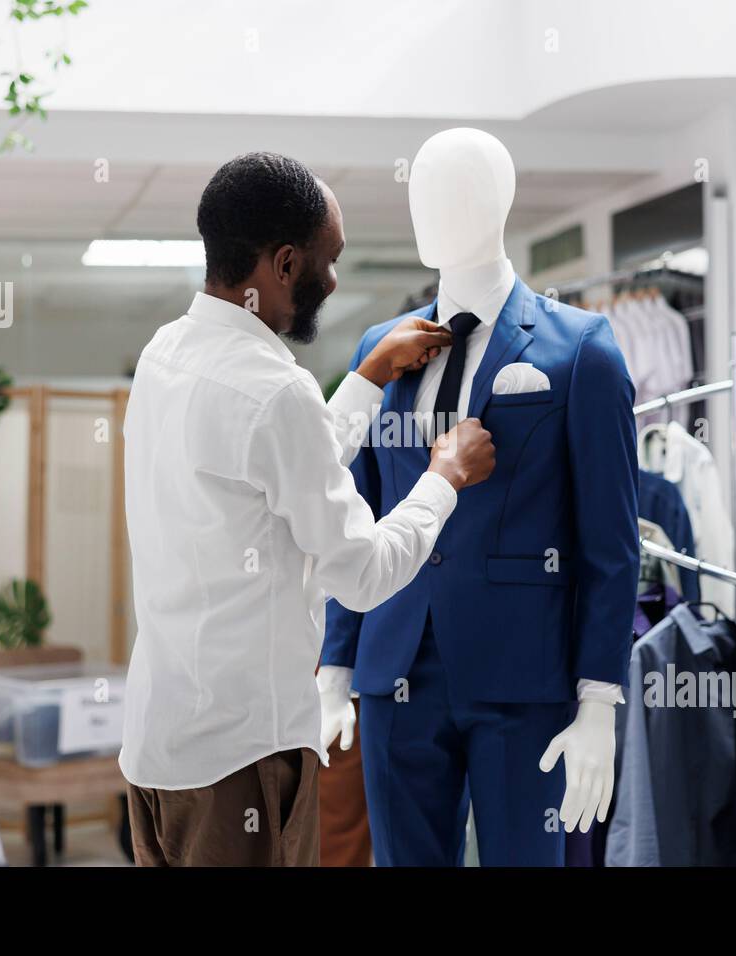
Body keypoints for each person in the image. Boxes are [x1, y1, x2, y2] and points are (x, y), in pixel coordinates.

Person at [118, 151, 495, 867]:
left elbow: (273, 467)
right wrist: (443, 478)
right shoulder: (275, 391)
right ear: (285, 264)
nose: (335, 278)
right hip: (240, 766)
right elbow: (363, 573)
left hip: (157, 752)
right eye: (329, 260)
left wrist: (366, 378)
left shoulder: (165, 355)